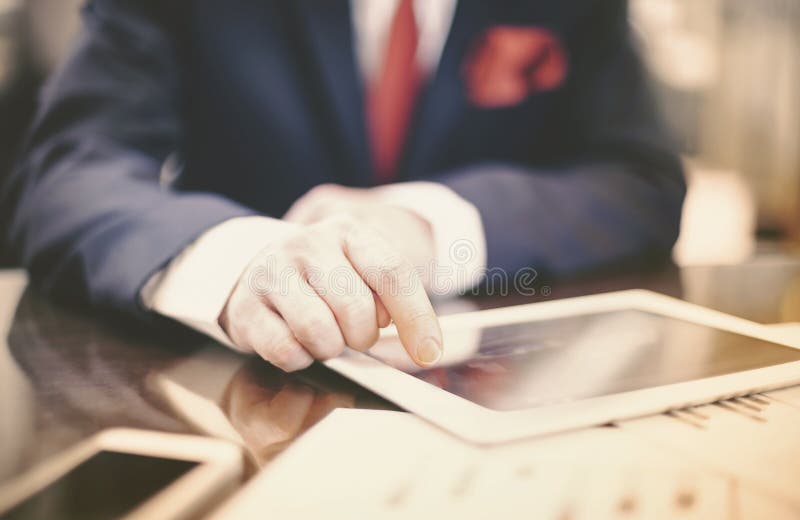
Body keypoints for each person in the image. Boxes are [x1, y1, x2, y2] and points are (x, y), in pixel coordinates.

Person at [0, 0, 685, 372]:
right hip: (238, 389)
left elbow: (639, 178)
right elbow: (68, 172)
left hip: (488, 391)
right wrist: (235, 260)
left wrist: (427, 228)